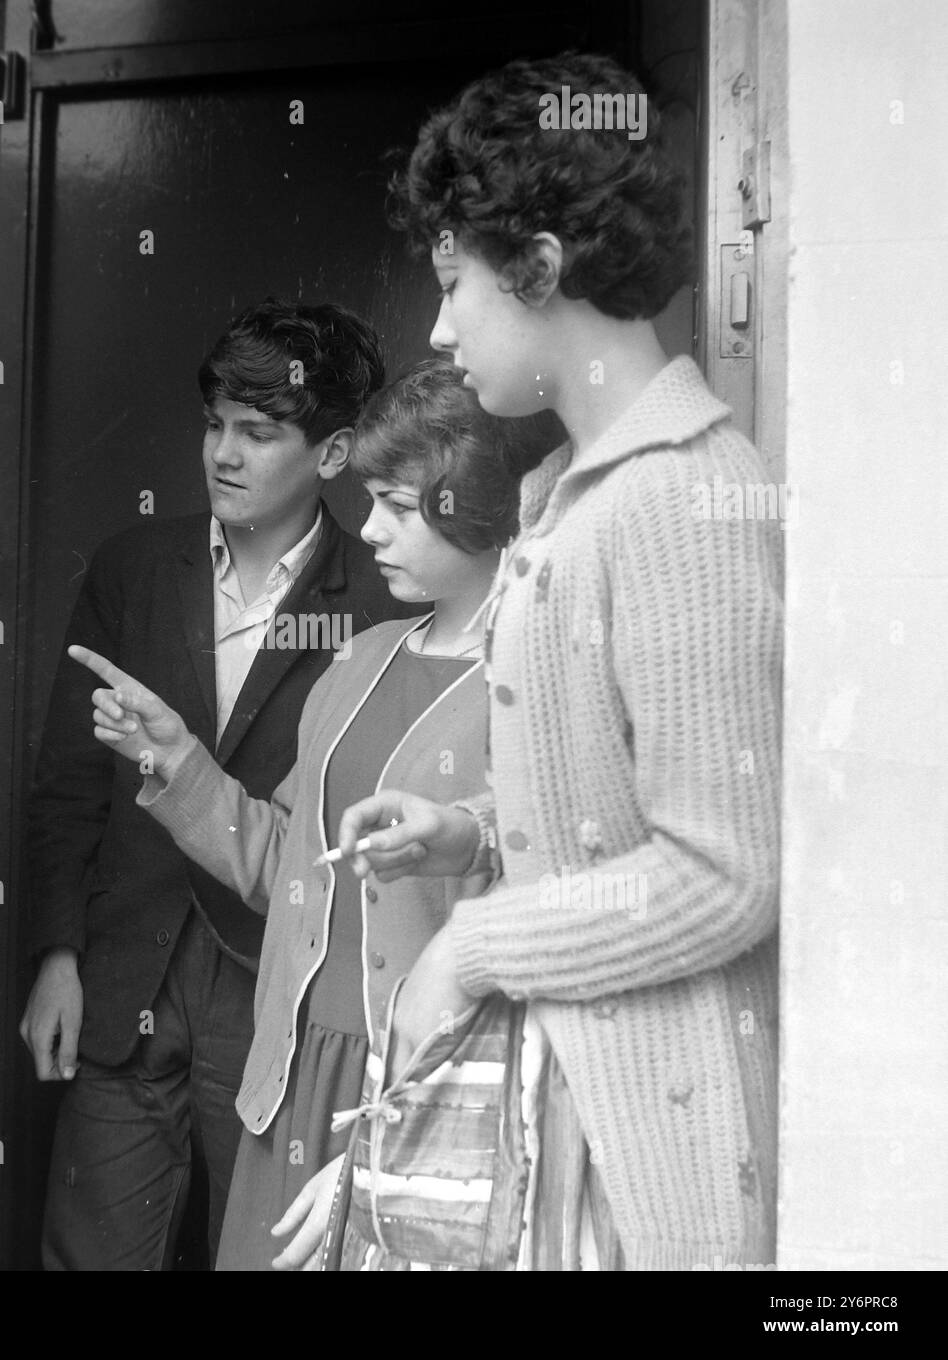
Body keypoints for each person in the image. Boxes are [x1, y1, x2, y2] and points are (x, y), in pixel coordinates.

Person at [337, 52, 784, 1269]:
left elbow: (724, 873)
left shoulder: (680, 497)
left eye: (455, 285)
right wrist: (469, 833)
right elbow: (608, 811)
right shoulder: (560, 492)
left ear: (537, 268)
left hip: (657, 1156)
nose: (437, 329)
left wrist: (471, 945)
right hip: (564, 1120)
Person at [71, 359, 551, 1269]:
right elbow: (286, 869)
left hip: (429, 1088)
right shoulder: (360, 661)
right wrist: (178, 761)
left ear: (484, 508)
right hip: (291, 1080)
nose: (368, 529)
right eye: (371, 500)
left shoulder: (538, 679)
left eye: (399, 507)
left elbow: (555, 890)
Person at [21, 298, 421, 1271]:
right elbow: (70, 780)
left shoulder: (380, 599)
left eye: (258, 432)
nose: (224, 454)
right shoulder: (132, 568)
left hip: (275, 989)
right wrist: (55, 953)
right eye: (214, 425)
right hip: (122, 973)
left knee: (263, 1256)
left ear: (333, 453)